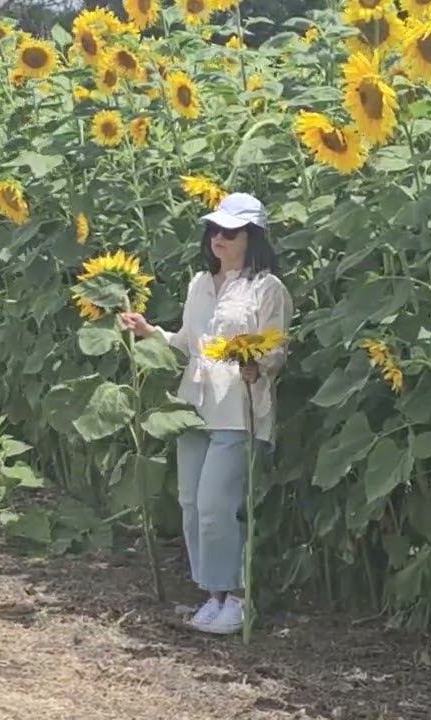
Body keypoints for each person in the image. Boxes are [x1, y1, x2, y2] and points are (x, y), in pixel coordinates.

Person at [119, 192, 294, 636]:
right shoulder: (200, 283)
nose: (219, 238)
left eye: (230, 232)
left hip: (240, 408)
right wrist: (149, 332)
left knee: (218, 505)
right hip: (193, 406)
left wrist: (258, 365)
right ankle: (213, 595)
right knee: (192, 503)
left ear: (251, 238)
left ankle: (238, 596)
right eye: (214, 229)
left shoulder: (266, 287)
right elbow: (187, 342)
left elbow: (275, 349)